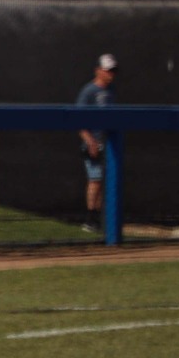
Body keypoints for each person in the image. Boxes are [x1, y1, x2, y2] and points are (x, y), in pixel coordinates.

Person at [76, 53, 115, 231]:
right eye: (108, 70)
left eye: (113, 71)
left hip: (107, 143)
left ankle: (98, 218)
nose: (111, 74)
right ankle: (90, 218)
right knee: (95, 179)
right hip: (93, 143)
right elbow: (79, 120)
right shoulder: (89, 91)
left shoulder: (110, 92)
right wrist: (90, 142)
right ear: (98, 70)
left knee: (102, 181)